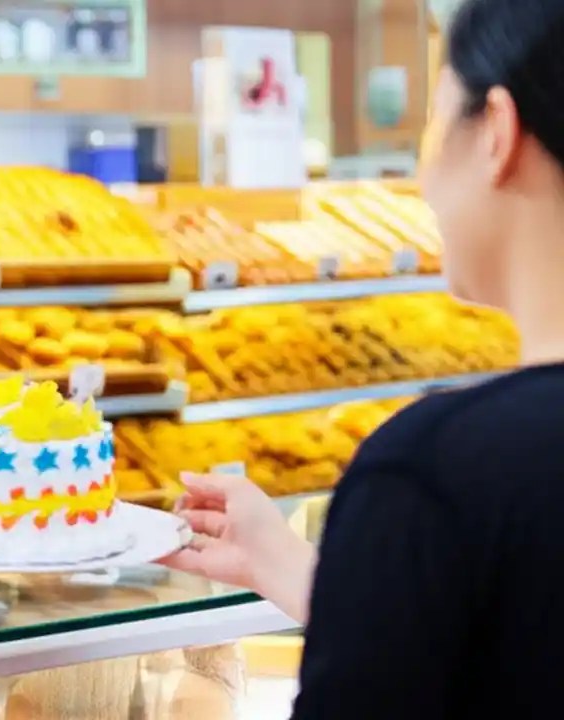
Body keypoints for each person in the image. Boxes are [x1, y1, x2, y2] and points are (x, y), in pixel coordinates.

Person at [160, 0, 564, 715]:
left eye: (435, 125)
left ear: (497, 132)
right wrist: (292, 566)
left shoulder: (436, 469)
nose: (422, 178)